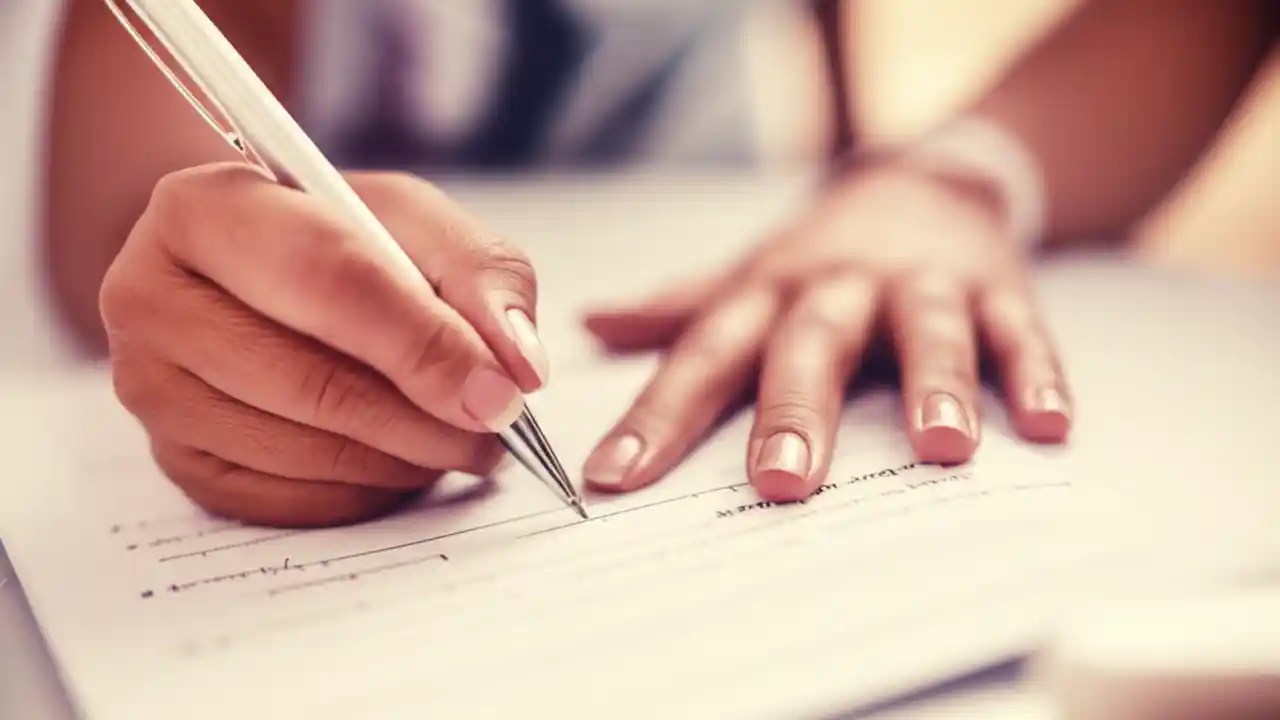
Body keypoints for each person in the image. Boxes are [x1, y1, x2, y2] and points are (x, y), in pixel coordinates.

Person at [44, 0, 1276, 526]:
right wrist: (202, 282)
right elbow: (112, 213)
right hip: (384, 290)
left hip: (727, 222)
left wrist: (953, 174)